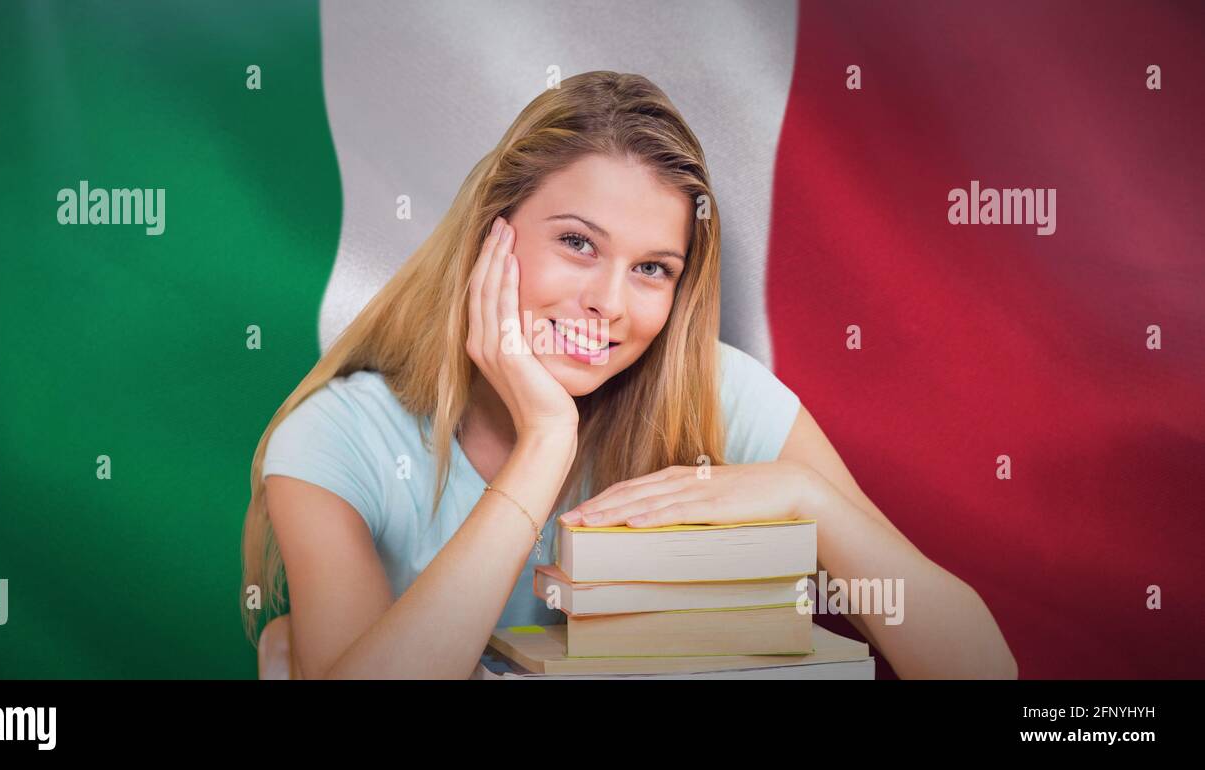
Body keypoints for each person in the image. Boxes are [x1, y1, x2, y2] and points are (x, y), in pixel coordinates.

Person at [240, 70, 1017, 680]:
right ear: (491, 233)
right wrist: (545, 442)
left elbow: (981, 670)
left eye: (652, 268)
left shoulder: (715, 392)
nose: (609, 303)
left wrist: (810, 499)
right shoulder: (338, 439)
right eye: (578, 243)